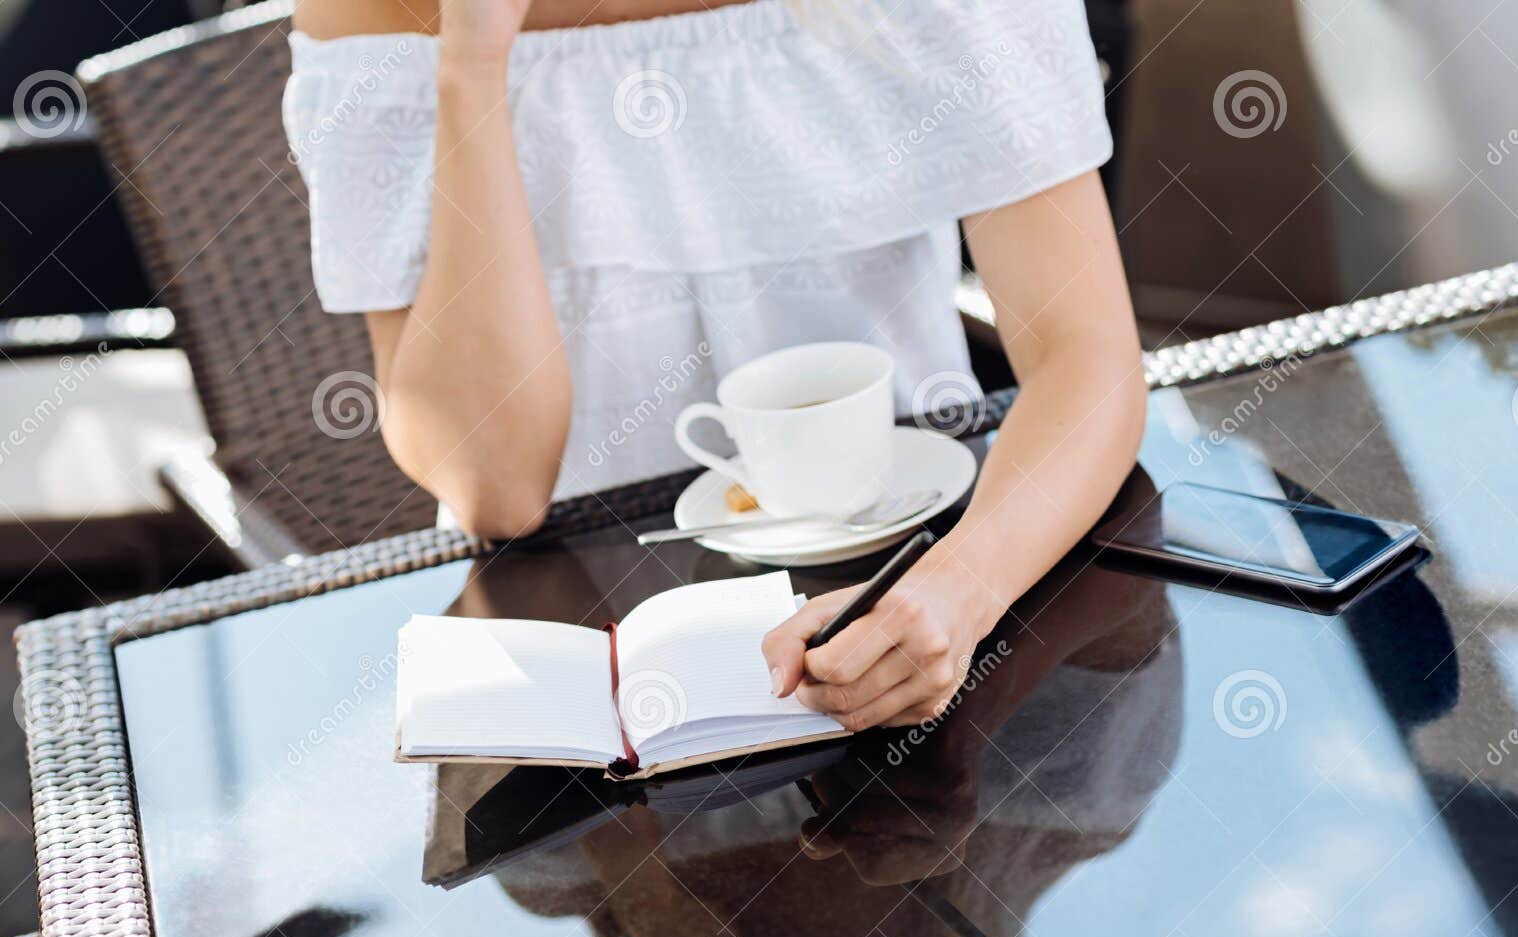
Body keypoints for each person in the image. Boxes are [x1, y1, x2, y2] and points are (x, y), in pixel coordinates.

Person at [286, 0, 1147, 735]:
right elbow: (496, 487)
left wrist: (963, 586)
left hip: (917, 568)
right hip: (577, 633)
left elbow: (1087, 354)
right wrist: (472, 67)